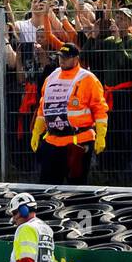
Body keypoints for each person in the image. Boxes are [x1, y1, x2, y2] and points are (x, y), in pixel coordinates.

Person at [30, 44, 107, 185]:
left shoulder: (88, 78)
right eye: (60, 57)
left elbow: (99, 109)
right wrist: (37, 132)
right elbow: (43, 108)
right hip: (53, 140)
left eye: (66, 57)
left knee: (76, 188)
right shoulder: (51, 77)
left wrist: (101, 135)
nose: (62, 60)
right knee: (47, 187)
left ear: (76, 59)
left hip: (78, 141)